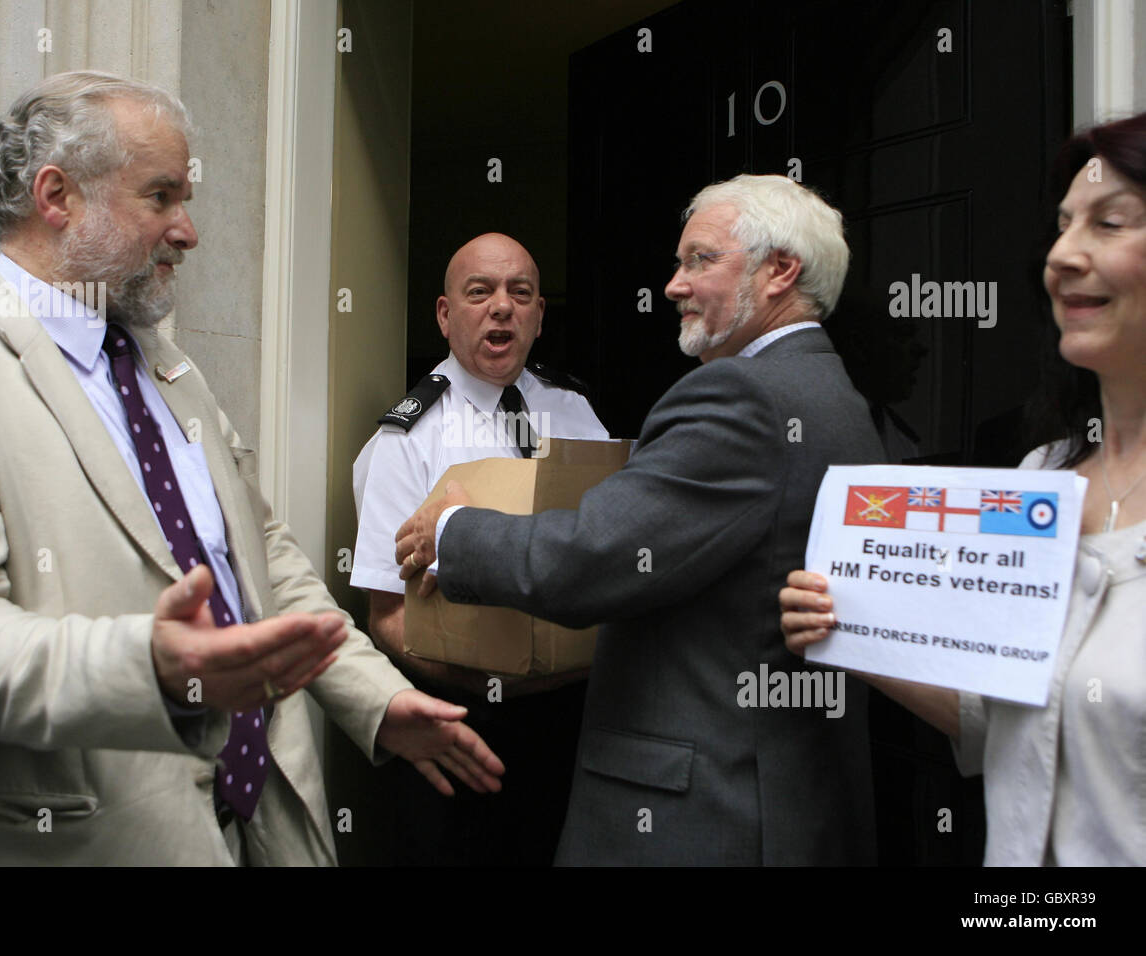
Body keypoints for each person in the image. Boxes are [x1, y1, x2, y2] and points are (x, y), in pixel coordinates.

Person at [0, 70, 503, 866]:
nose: (187, 230)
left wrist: (376, 698)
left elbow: (267, 560)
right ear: (58, 197)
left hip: (262, 828)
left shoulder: (165, 367)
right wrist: (151, 668)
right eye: (160, 197)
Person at [395, 175, 884, 865]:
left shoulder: (738, 393)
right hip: (782, 794)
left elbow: (599, 553)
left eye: (699, 260)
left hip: (704, 808)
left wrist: (453, 532)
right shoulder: (836, 393)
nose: (674, 286)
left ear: (780, 271)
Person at [780, 112, 1146, 866]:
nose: (1063, 255)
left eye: (1109, 224)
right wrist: (849, 626)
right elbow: (992, 717)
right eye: (1061, 225)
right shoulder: (1040, 479)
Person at [350, 232, 609, 865]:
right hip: (461, 725)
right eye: (480, 292)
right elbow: (384, 614)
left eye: (520, 294)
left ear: (540, 315)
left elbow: (614, 545)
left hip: (577, 713)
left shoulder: (576, 412)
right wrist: (492, 684)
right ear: (445, 315)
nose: (502, 307)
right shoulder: (405, 440)